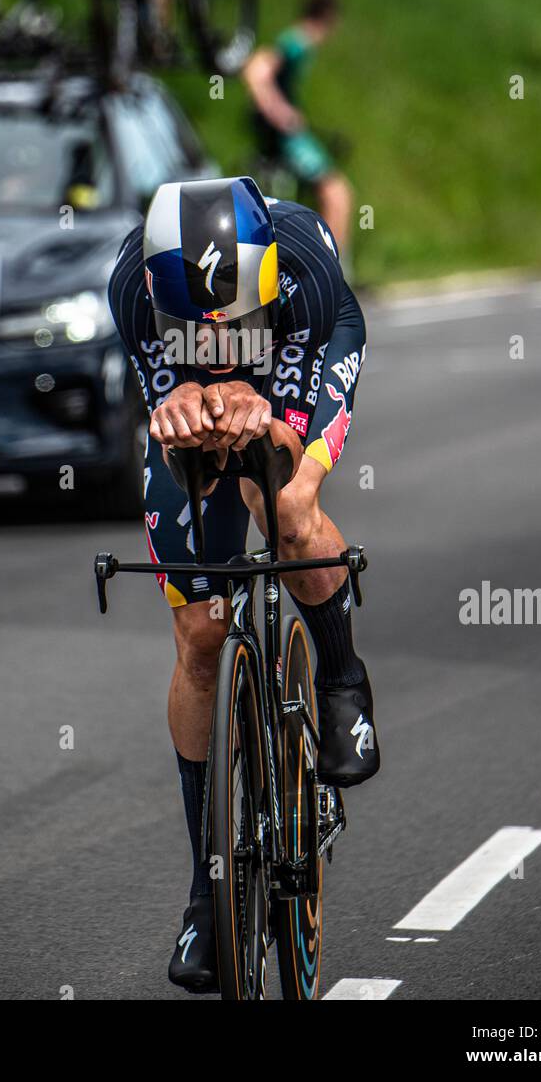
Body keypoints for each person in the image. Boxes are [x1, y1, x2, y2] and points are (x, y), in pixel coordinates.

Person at [107, 175, 380, 995]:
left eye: (232, 318)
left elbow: (288, 445)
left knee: (286, 509)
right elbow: (169, 413)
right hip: (193, 396)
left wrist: (262, 420)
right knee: (198, 633)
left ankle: (341, 680)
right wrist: (187, 397)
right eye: (197, 323)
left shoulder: (301, 270)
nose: (217, 334)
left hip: (305, 353)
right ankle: (205, 891)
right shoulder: (132, 287)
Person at [242, 0, 353, 256]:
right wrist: (279, 113)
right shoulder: (298, 41)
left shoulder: (299, 42)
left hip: (289, 134)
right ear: (328, 17)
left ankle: (321, 259)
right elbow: (256, 69)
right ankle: (331, 266)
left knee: (328, 193)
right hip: (286, 138)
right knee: (337, 193)